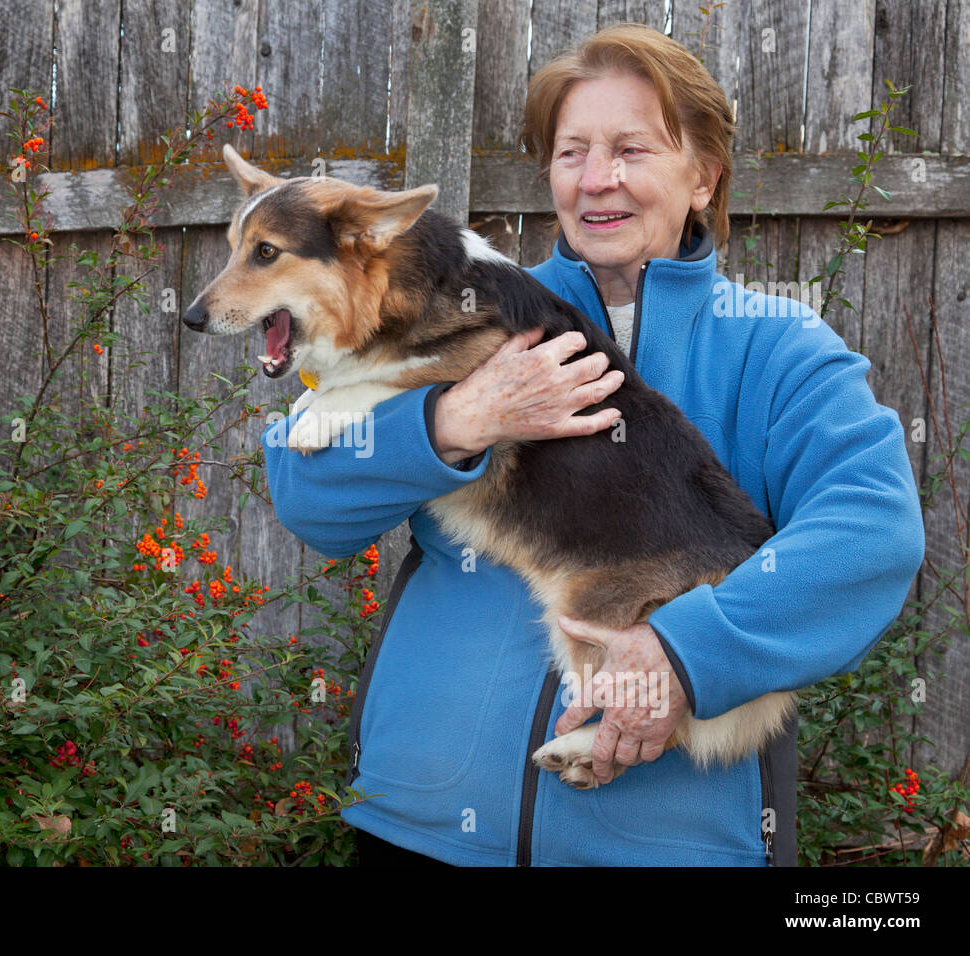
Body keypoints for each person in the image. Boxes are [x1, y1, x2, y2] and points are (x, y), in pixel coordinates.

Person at [260, 23, 925, 865]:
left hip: (664, 847)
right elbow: (308, 498)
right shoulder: (460, 306)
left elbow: (872, 538)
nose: (597, 179)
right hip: (421, 826)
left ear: (703, 177)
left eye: (632, 149)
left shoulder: (777, 349)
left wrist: (682, 657)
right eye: (572, 152)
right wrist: (453, 423)